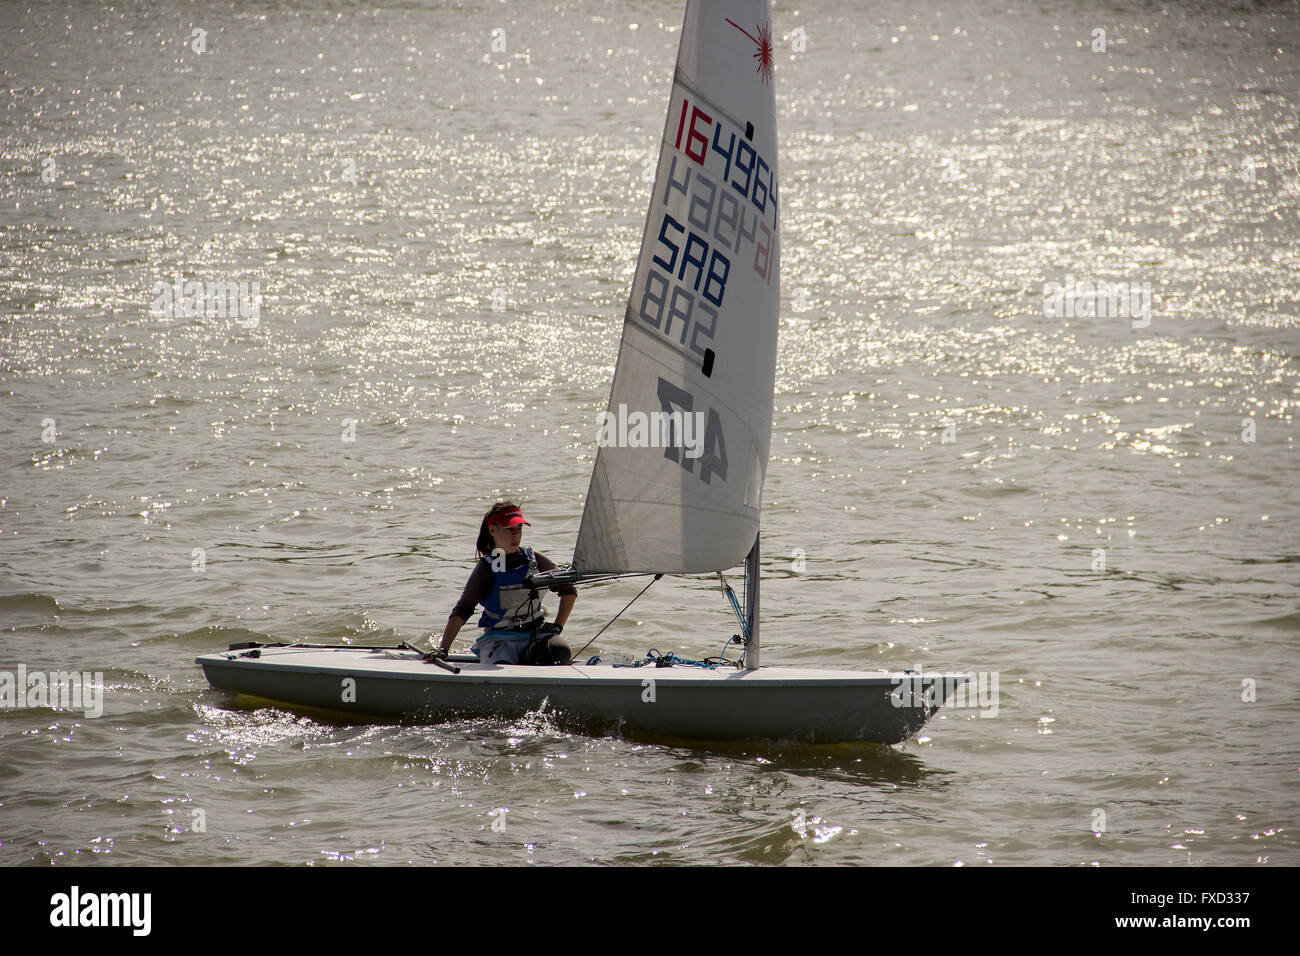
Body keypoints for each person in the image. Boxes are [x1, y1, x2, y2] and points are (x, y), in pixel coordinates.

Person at [425, 502, 576, 666]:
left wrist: (557, 627)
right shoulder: (486, 568)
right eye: (510, 529)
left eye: (519, 529)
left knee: (561, 652)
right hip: (499, 639)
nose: (516, 535)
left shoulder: (536, 560)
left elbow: (569, 591)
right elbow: (463, 610)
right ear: (492, 530)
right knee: (504, 669)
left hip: (534, 636)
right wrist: (443, 650)